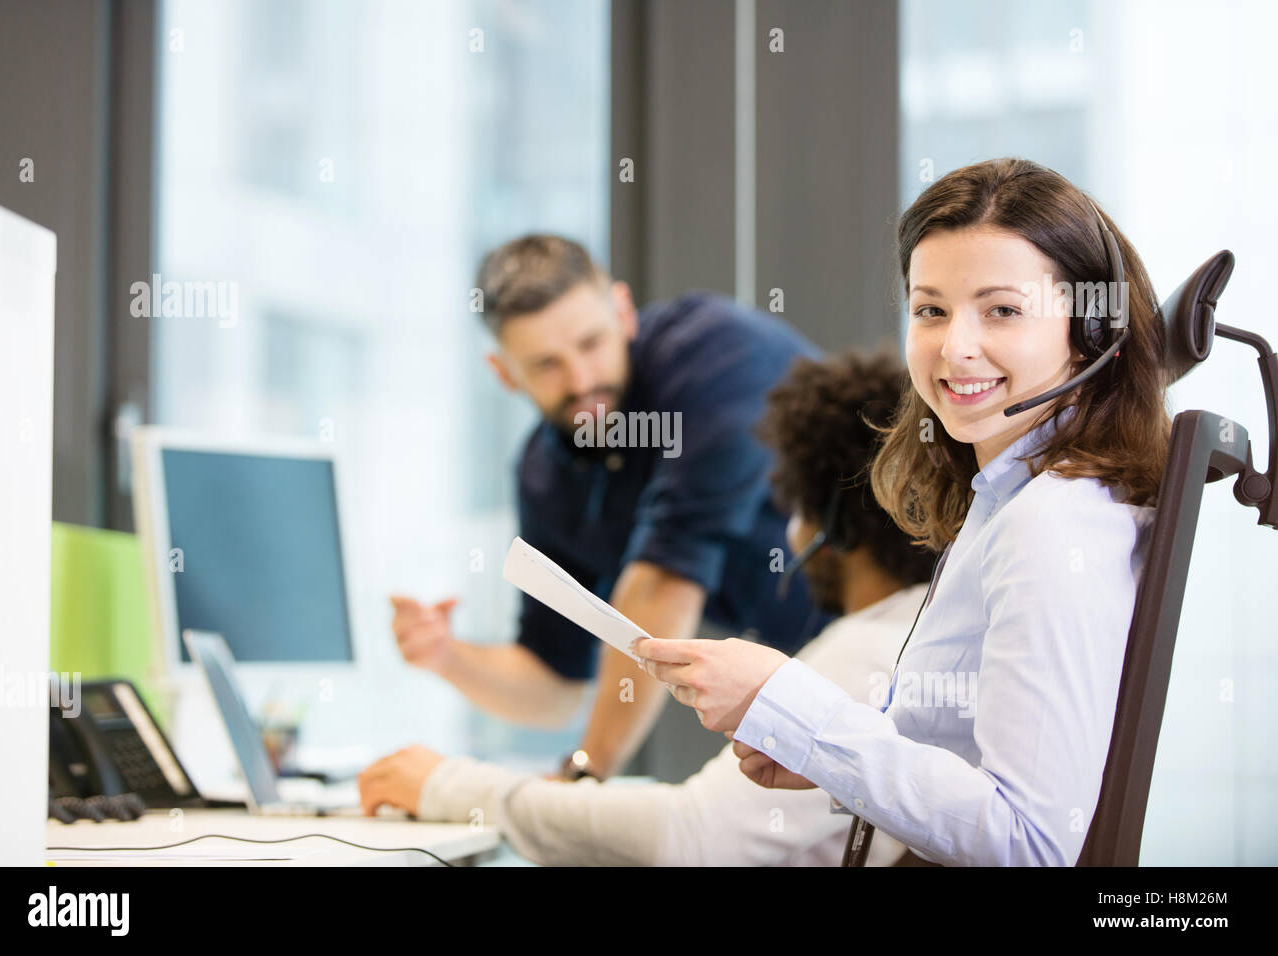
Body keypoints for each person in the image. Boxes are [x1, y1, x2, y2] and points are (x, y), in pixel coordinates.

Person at [634, 157, 1167, 866]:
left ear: (1091, 332)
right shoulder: (1014, 502)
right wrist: (819, 755)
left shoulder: (1054, 523)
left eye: (1002, 309)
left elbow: (1029, 843)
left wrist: (795, 706)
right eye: (931, 310)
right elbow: (970, 769)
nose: (955, 347)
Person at [357, 349, 938, 865]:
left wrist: (451, 786)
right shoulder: (917, 634)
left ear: (829, 524)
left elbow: (690, 838)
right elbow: (556, 690)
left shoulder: (869, 652)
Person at [389, 235, 832, 781]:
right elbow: (554, 684)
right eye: (547, 364)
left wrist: (587, 770)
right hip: (813, 670)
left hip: (912, 619)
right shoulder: (544, 477)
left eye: (591, 342)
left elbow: (665, 583)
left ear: (623, 312)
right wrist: (449, 658)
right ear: (505, 373)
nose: (580, 381)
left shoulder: (715, 353)